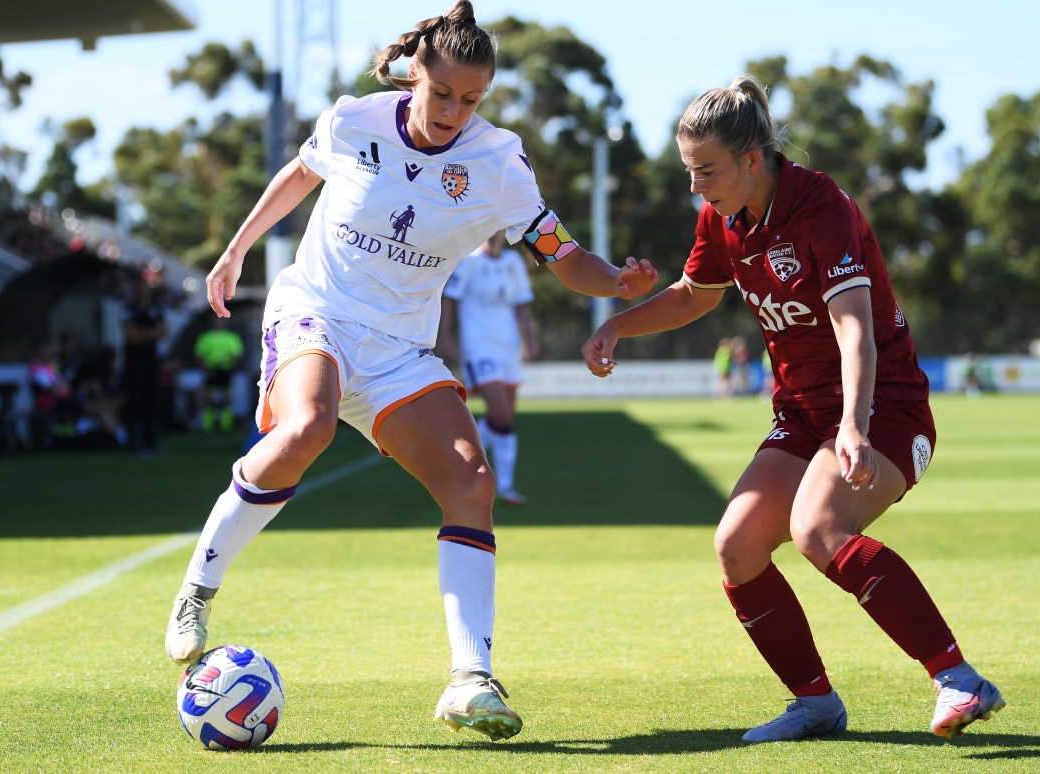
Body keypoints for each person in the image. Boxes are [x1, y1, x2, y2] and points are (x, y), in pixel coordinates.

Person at [163, 0, 657, 743]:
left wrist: (614, 280)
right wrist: (236, 249)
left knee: (473, 483)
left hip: (400, 350)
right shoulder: (355, 119)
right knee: (308, 424)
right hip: (317, 312)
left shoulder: (499, 162)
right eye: (443, 93)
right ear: (412, 74)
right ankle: (198, 588)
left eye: (472, 99)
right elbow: (298, 177)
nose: (455, 111)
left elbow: (563, 254)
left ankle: (470, 680)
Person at [581, 75, 1003, 743]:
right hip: (803, 416)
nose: (697, 187)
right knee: (737, 547)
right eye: (690, 172)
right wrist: (617, 327)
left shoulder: (822, 209)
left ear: (754, 160)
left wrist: (855, 427)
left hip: (883, 408)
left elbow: (854, 332)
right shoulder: (721, 216)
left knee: (820, 529)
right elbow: (695, 294)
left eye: (707, 171)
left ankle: (959, 678)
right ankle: (815, 704)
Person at [439, 231, 539, 505]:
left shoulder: (513, 262)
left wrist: (530, 338)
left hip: (508, 348)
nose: (494, 234)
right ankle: (478, 473)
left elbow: (522, 306)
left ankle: (499, 484)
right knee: (501, 413)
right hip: (479, 347)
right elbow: (449, 300)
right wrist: (446, 338)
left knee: (504, 419)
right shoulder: (469, 262)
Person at [121, 274, 168, 455]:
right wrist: (151, 334)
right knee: (135, 401)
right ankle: (133, 443)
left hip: (151, 361)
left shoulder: (155, 309)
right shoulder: (128, 309)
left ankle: (150, 442)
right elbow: (131, 336)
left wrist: (143, 334)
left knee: (152, 400)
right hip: (134, 362)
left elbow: (164, 331)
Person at [194, 316, 245, 432]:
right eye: (216, 322)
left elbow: (238, 354)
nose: (219, 325)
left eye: (220, 322)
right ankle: (209, 425)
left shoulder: (231, 337)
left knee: (227, 396)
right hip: (210, 369)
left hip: (226, 370)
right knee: (209, 397)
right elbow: (199, 355)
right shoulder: (206, 337)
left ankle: (226, 425)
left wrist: (232, 361)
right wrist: (206, 368)